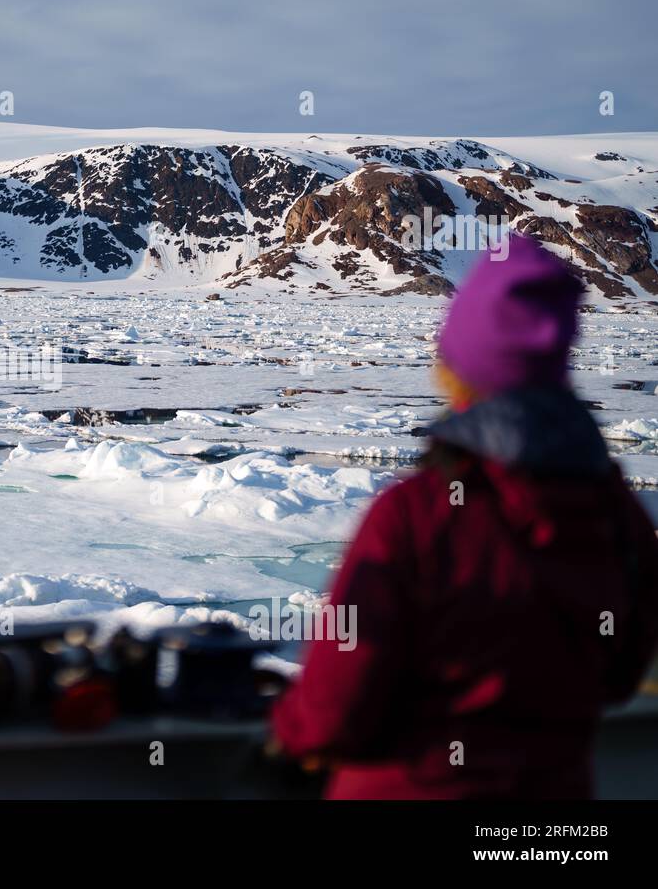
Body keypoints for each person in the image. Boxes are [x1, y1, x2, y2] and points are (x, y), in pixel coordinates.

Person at [270, 233, 658, 799]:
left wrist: (283, 731)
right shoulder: (616, 512)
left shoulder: (417, 516)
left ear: (459, 366)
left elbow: (335, 710)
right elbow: (621, 675)